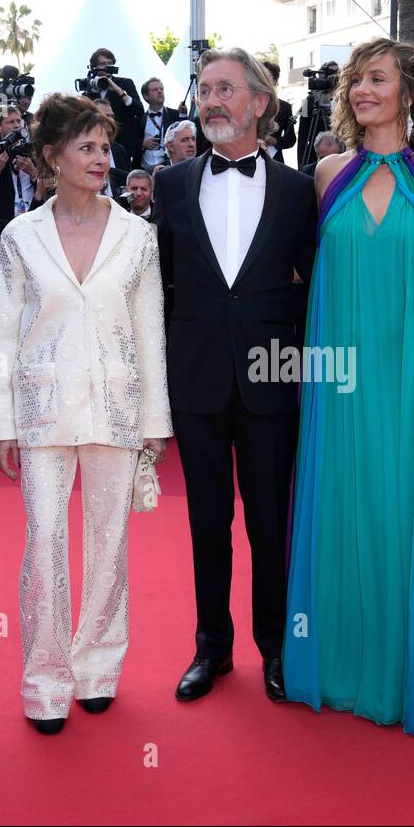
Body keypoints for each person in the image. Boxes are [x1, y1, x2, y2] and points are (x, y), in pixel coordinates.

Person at [280, 37, 414, 736]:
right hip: (335, 378)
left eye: (377, 78)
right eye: (356, 81)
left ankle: (405, 669)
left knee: (400, 508)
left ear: (409, 91)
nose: (362, 90)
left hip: (406, 376)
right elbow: (307, 269)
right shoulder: (325, 173)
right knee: (342, 505)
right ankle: (338, 664)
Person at [0, 94, 170, 734]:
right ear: (52, 156)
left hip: (118, 406)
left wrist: (155, 421)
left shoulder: (138, 234)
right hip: (40, 410)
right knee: (44, 545)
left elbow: (151, 331)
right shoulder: (20, 236)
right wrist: (0, 420)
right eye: (85, 147)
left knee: (109, 544)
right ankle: (44, 683)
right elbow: (3, 335)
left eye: (104, 147)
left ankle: (97, 671)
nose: (101, 159)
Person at [152, 48, 317, 704]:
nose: (211, 99)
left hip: (271, 380)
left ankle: (274, 649)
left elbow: (313, 291)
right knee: (206, 520)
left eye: (226, 89)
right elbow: (160, 286)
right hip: (196, 379)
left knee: (270, 524)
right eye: (205, 88)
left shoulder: (301, 191)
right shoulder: (169, 185)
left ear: (258, 103)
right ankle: (210, 647)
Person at [0, 105, 36, 230]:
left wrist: (33, 172)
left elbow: (47, 189)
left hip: (33, 221)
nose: (16, 125)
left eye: (18, 121)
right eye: (11, 122)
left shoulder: (32, 153)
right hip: (4, 225)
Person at [87, 48, 143, 163]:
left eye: (110, 63)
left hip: (124, 145)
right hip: (97, 144)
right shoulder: (90, 86)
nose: (107, 66)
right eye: (103, 64)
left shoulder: (125, 83)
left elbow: (139, 110)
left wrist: (120, 92)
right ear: (94, 67)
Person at [137, 78, 181, 172]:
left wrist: (183, 115)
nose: (160, 91)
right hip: (144, 169)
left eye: (161, 89)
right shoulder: (139, 119)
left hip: (169, 167)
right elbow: (130, 143)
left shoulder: (175, 114)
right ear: (146, 96)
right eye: (155, 89)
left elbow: (184, 134)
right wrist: (142, 144)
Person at [260, 60, 297, 165]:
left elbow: (291, 139)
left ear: (275, 81)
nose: (263, 81)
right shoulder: (246, 104)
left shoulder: (284, 106)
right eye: (260, 77)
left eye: (268, 78)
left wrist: (275, 141)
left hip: (275, 159)